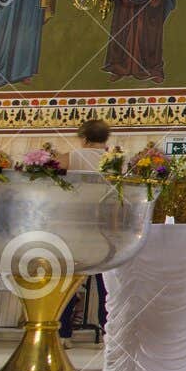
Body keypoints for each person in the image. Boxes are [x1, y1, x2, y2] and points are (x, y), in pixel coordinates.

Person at [59, 118, 113, 339]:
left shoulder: (71, 157)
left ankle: (64, 333)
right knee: (105, 284)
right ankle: (107, 331)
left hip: (75, 226)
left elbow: (46, 173)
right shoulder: (115, 160)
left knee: (69, 280)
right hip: (104, 227)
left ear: (83, 138)